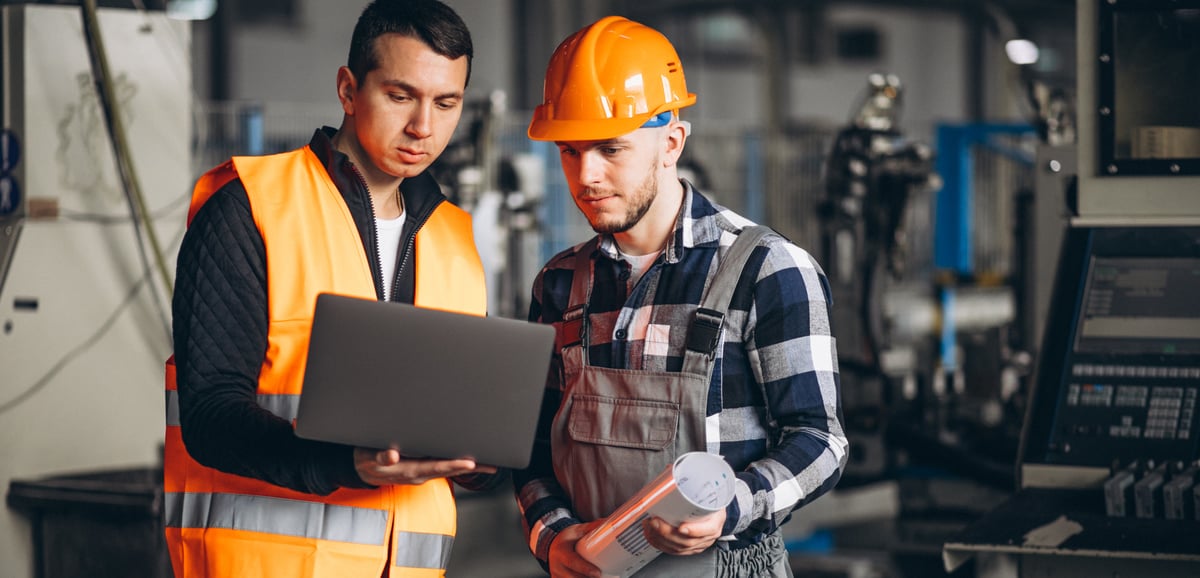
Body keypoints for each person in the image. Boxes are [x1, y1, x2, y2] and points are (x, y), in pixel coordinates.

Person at [164, 1, 498, 576]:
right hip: (264, 565)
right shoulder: (250, 208)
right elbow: (211, 414)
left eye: (446, 103)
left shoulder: (454, 239)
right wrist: (344, 462)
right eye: (400, 96)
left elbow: (452, 415)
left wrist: (479, 455)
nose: (424, 126)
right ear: (348, 89)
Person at [513, 16, 848, 578]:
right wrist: (554, 537)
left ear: (671, 143)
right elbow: (533, 446)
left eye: (609, 150)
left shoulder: (766, 270)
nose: (585, 176)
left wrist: (731, 507)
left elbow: (820, 441)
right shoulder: (560, 283)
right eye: (569, 151)